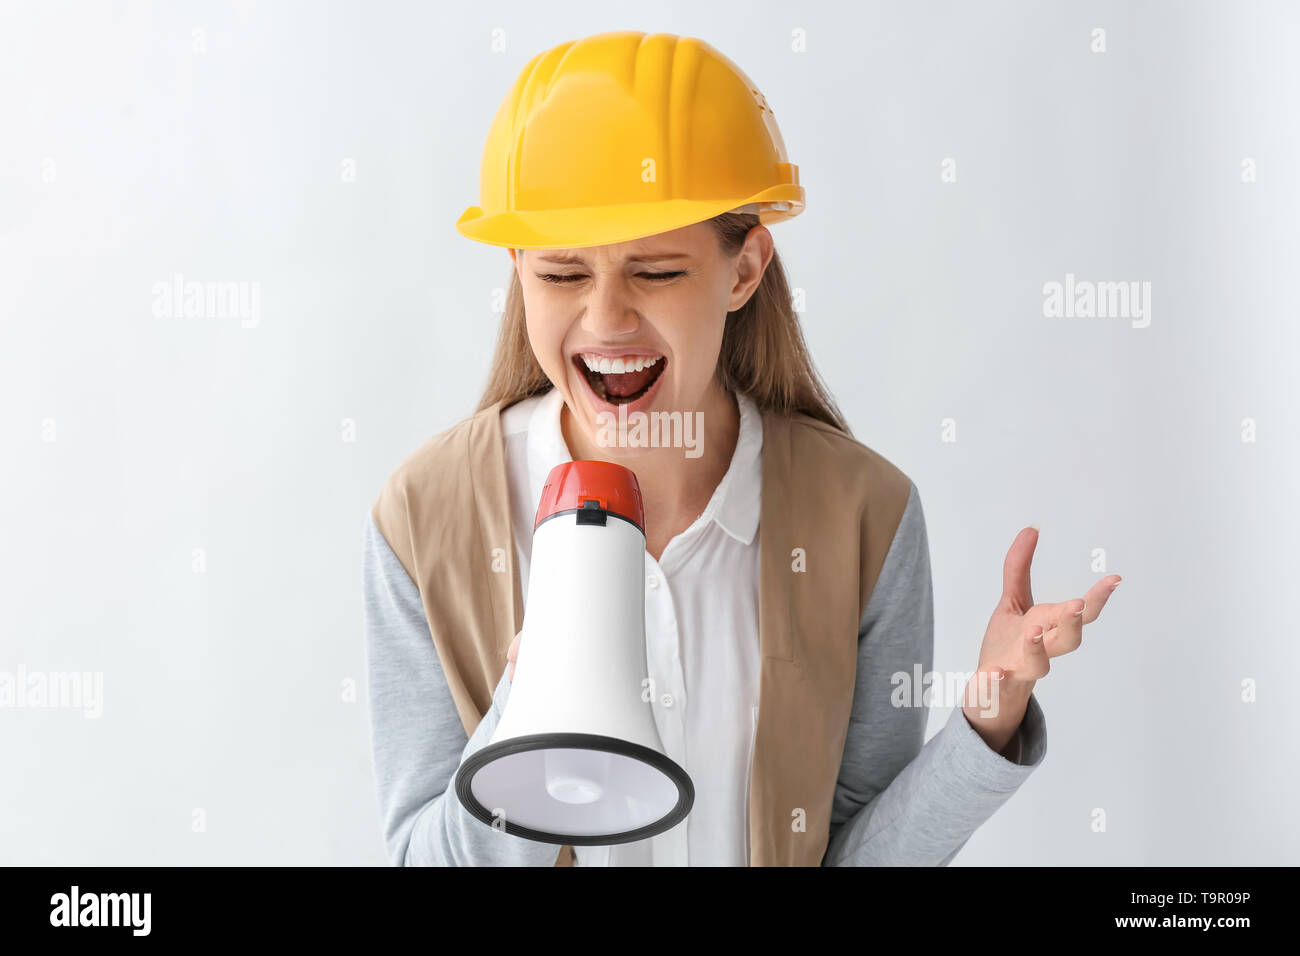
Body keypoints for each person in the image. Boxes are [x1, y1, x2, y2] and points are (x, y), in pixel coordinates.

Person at [361, 29, 1121, 867]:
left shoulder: (863, 516)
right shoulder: (422, 520)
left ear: (745, 269)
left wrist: (989, 716)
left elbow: (854, 855)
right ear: (516, 267)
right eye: (562, 274)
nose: (607, 320)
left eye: (654, 272)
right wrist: (533, 707)